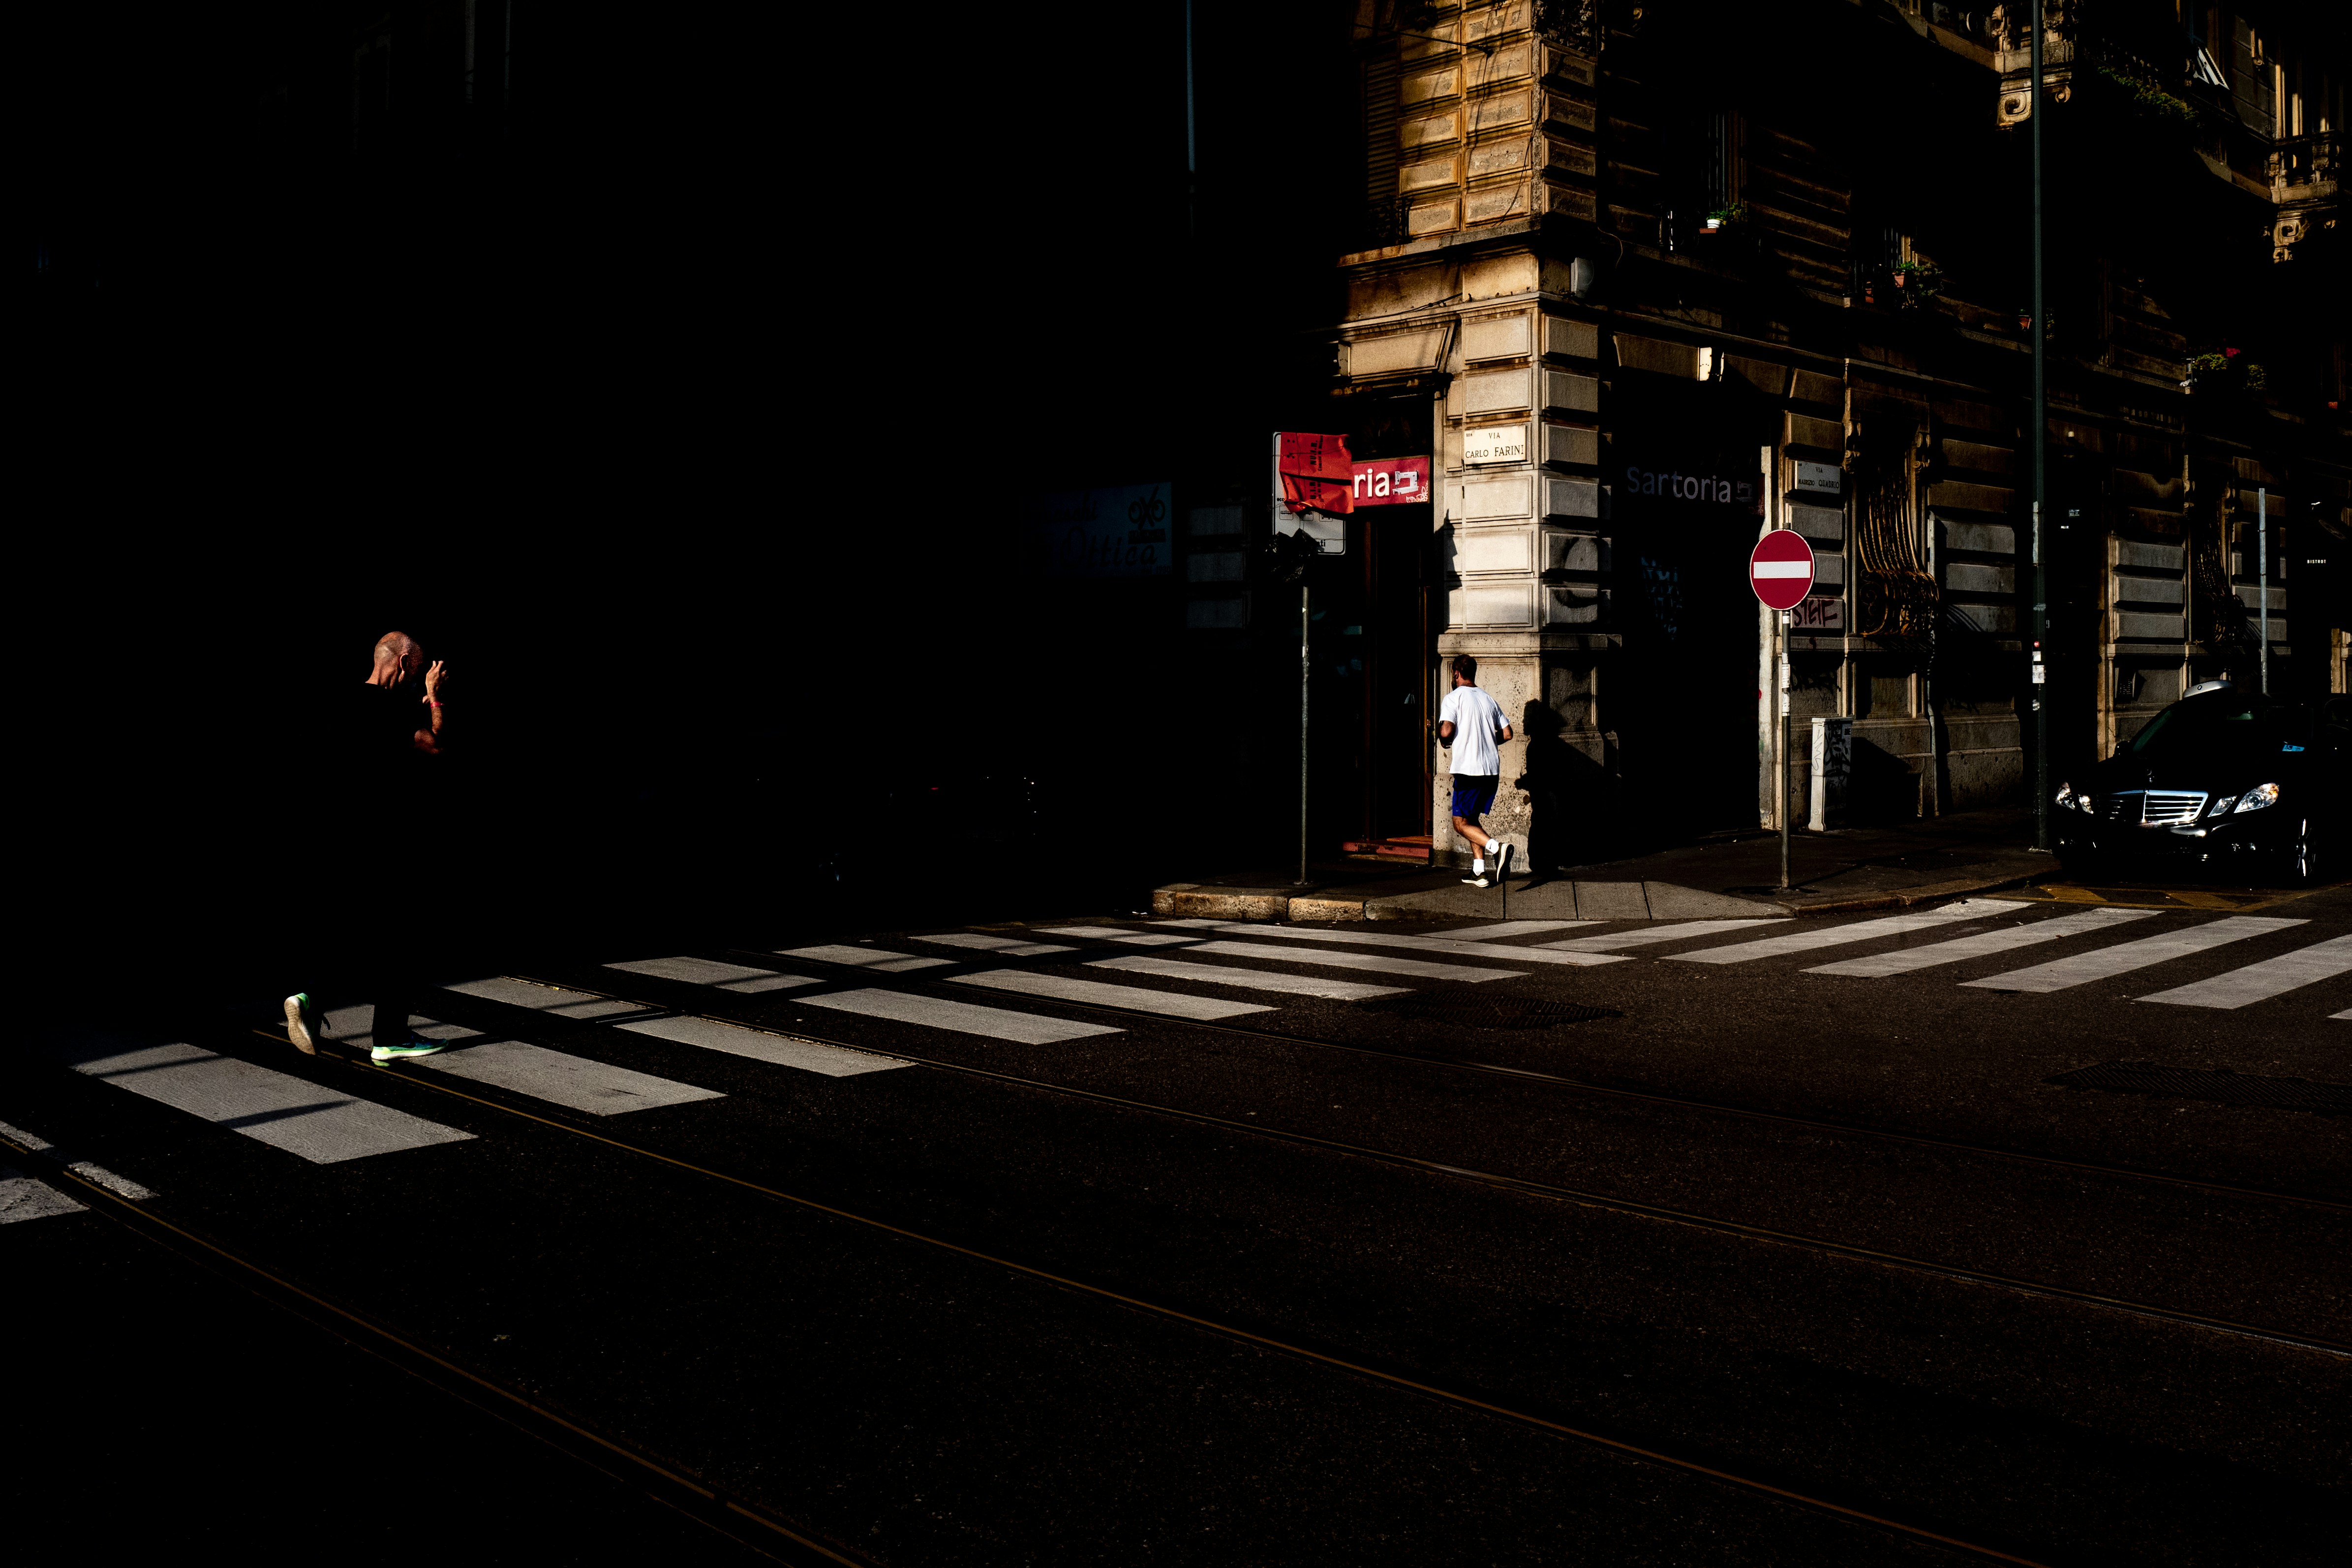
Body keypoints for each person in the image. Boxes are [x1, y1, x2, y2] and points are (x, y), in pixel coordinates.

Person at [283, 631, 452, 1064]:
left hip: (338, 837)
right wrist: (435, 698)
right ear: (402, 664)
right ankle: (390, 1035)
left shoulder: (339, 703)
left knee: (354, 927)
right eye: (417, 668)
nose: (418, 676)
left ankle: (310, 996)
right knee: (401, 933)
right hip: (385, 839)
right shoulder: (392, 706)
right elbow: (434, 745)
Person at [1436, 654, 1512, 888]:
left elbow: (1447, 731)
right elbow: (1508, 733)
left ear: (1456, 674)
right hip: (1491, 770)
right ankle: (1479, 872)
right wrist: (1487, 741)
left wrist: (1441, 735)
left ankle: (1497, 848)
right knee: (1472, 819)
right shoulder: (1489, 700)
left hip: (1469, 770)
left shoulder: (1453, 698)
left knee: (1460, 823)